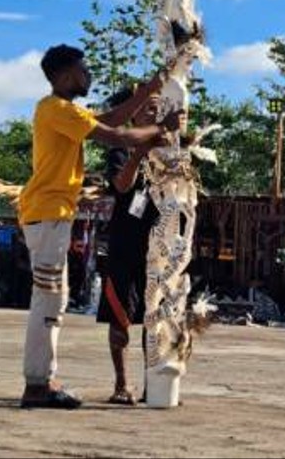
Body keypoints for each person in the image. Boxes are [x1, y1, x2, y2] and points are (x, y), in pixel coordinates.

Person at [17, 44, 182, 410]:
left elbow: (110, 119)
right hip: (48, 212)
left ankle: (44, 377)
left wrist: (146, 92)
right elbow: (118, 135)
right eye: (82, 69)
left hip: (53, 213)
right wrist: (160, 129)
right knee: (47, 300)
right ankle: (36, 384)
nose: (88, 74)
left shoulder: (65, 111)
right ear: (62, 77)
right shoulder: (55, 109)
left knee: (54, 300)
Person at [96, 86, 162, 406]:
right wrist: (139, 151)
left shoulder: (168, 148)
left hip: (158, 246)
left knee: (156, 319)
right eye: (147, 106)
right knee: (119, 316)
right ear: (133, 111)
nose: (153, 111)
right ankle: (121, 384)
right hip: (124, 243)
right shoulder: (121, 148)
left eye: (157, 107)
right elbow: (122, 186)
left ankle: (156, 385)